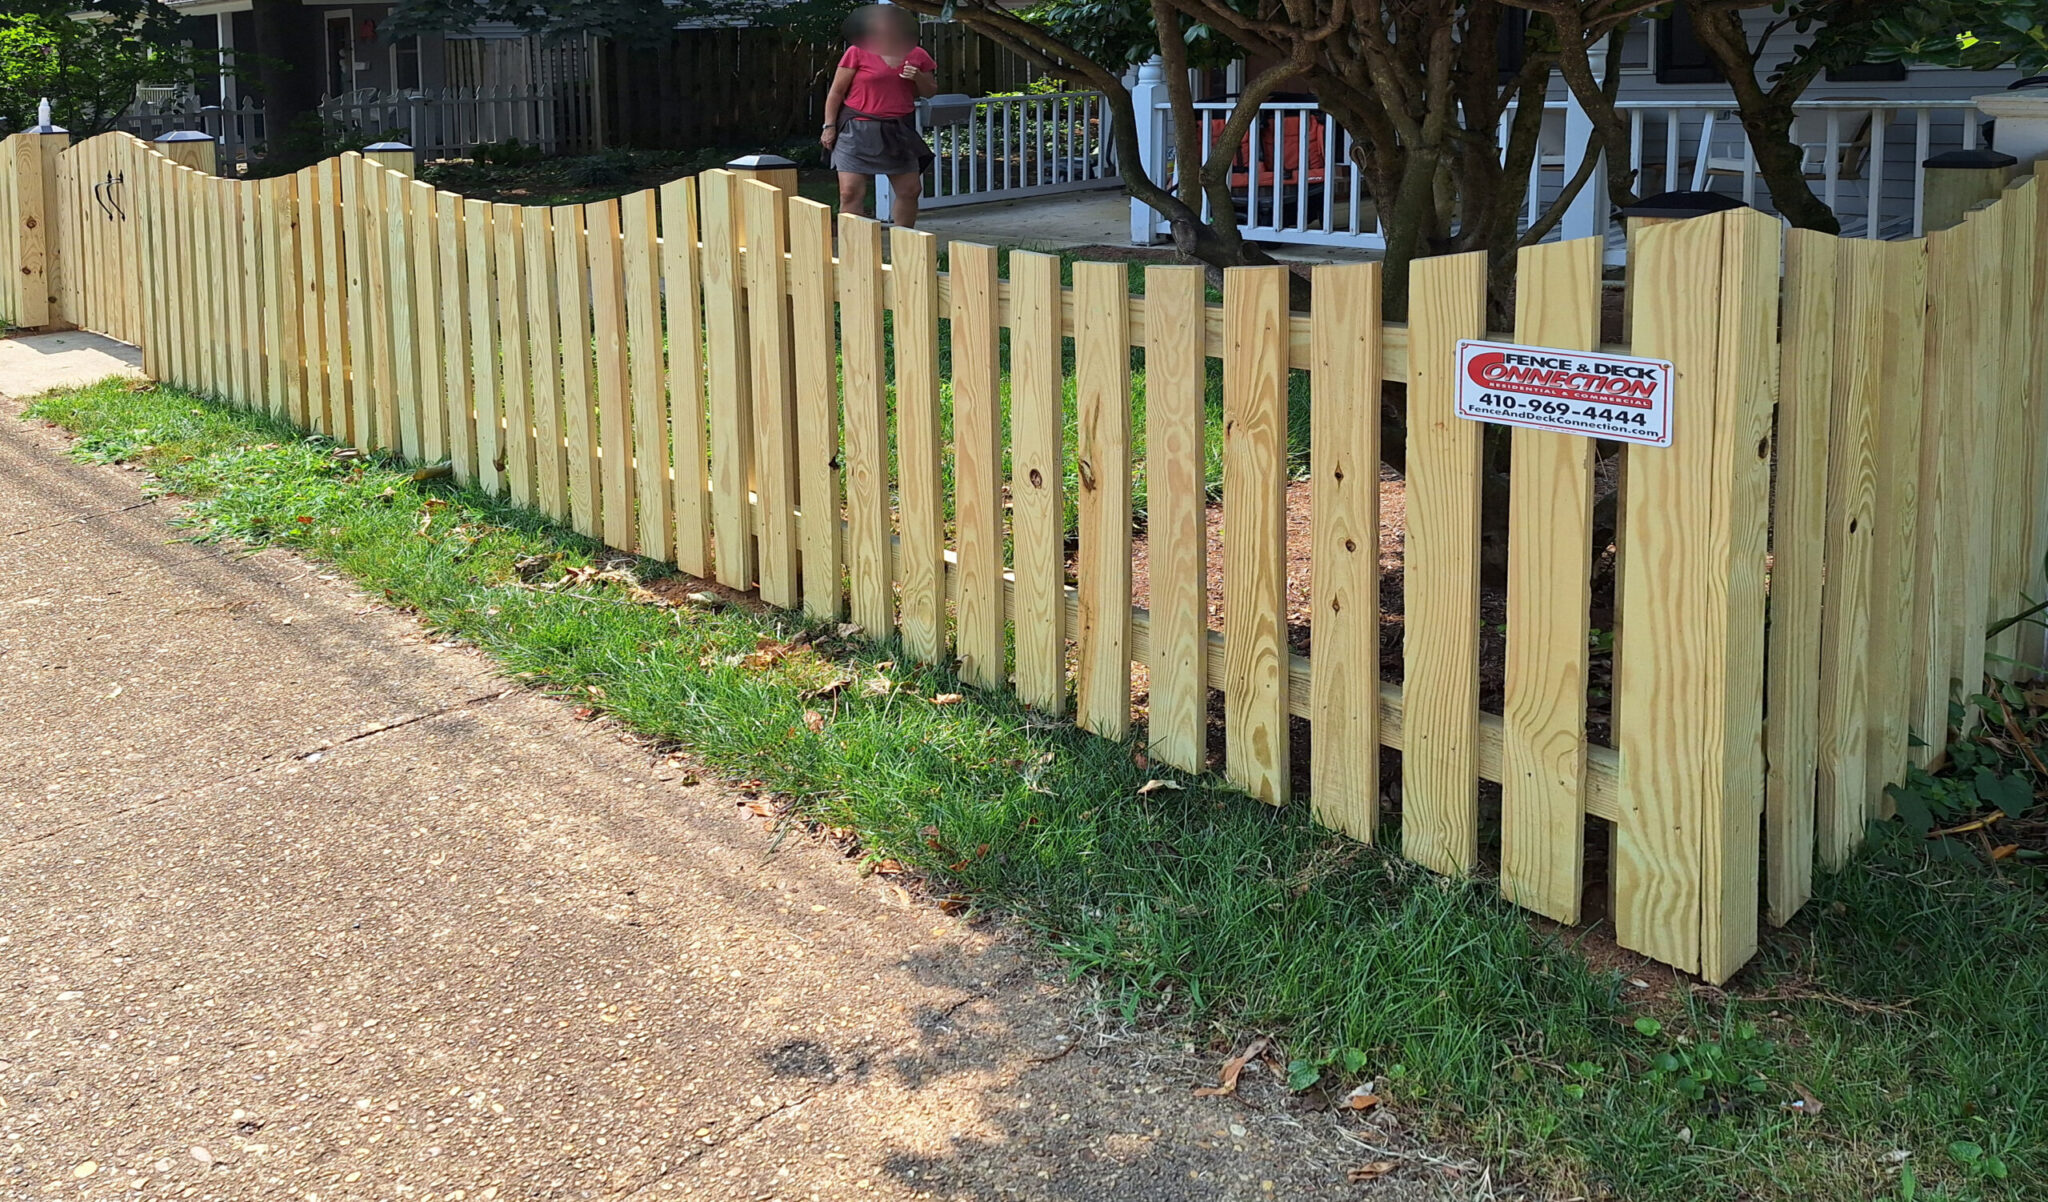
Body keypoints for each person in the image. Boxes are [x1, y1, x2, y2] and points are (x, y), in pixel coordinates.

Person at [821, 4, 936, 228]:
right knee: (849, 191)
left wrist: (918, 77)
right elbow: (836, 92)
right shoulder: (857, 51)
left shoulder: (917, 54)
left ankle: (903, 241)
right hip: (856, 129)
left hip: (898, 130)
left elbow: (930, 91)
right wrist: (829, 126)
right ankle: (854, 245)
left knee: (910, 190)